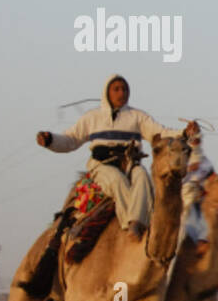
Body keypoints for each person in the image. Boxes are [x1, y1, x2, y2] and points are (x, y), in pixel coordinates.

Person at [35, 74, 196, 238]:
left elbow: (161, 133)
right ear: (107, 92)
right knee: (116, 181)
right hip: (103, 166)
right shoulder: (92, 117)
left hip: (130, 164)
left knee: (142, 176)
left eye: (125, 89)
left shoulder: (138, 117)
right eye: (117, 89)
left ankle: (138, 223)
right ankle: (129, 225)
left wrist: (184, 133)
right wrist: (50, 140)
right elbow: (70, 140)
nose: (122, 93)